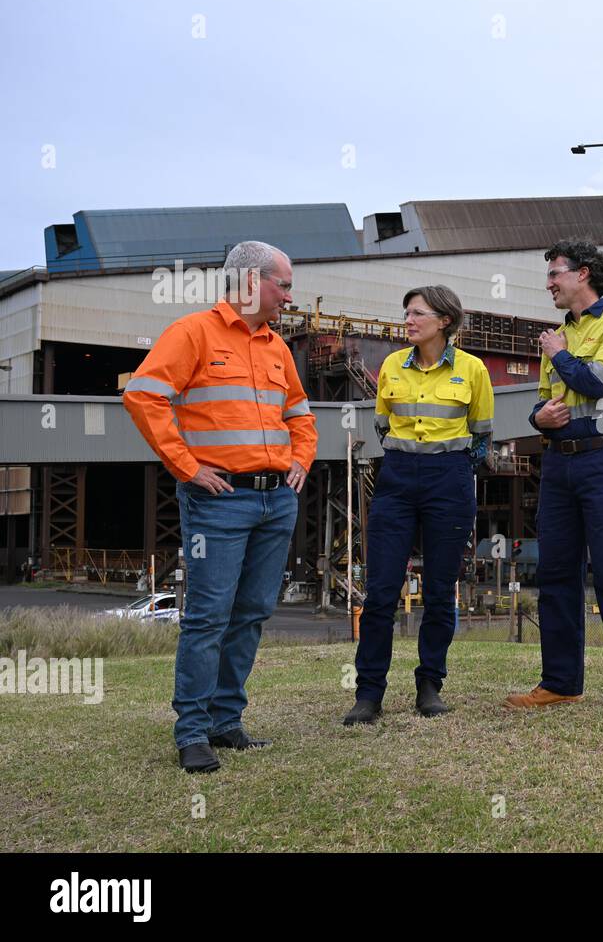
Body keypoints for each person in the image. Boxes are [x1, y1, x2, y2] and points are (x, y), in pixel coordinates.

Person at [124, 240, 316, 773]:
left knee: (252, 613)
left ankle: (225, 721)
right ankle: (192, 732)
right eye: (284, 284)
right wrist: (186, 467)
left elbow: (300, 413)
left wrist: (301, 458)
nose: (289, 296)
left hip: (276, 501)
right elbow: (143, 395)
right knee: (208, 618)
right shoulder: (192, 333)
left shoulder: (277, 347)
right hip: (219, 500)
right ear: (252, 281)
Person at [503, 238, 603, 719]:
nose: (549, 283)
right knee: (555, 575)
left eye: (555, 273)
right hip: (558, 462)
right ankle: (560, 682)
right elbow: (542, 402)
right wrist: (538, 420)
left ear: (585, 273)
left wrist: (559, 354)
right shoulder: (557, 334)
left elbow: (597, 383)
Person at [341, 285, 492, 726]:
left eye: (417, 313)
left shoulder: (473, 370)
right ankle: (368, 694)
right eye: (406, 313)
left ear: (444, 321)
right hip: (398, 479)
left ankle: (430, 686)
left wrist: (455, 471)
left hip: (451, 480)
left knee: (441, 592)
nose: (407, 320)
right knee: (381, 591)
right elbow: (383, 424)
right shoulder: (390, 365)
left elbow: (482, 434)